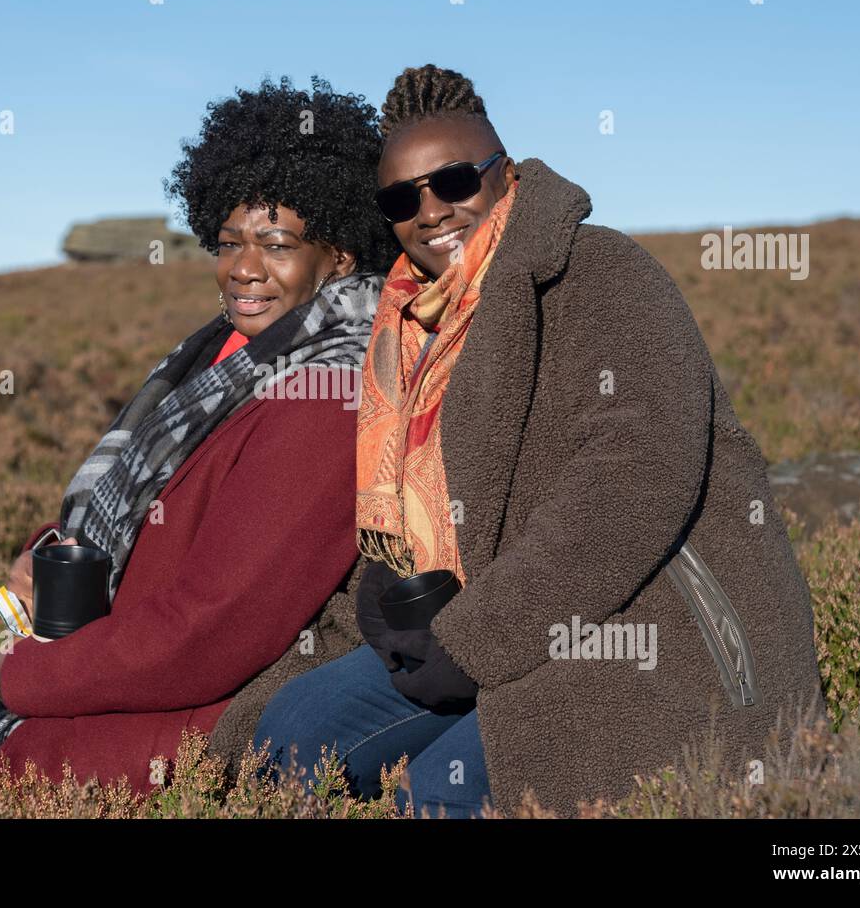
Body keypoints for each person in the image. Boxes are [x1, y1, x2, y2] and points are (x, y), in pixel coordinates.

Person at [254, 65, 828, 818]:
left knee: (442, 794)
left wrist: (475, 642)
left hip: (645, 626)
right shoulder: (409, 323)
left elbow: (636, 477)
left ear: (506, 174)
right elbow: (400, 510)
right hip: (485, 617)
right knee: (291, 737)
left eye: (454, 180)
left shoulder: (599, 270)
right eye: (402, 198)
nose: (430, 212)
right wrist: (390, 610)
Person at [0, 76, 399, 811]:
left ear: (338, 255)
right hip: (120, 689)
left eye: (275, 244)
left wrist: (31, 674)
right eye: (229, 241)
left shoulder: (325, 393)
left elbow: (214, 631)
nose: (243, 268)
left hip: (183, 732)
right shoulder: (222, 350)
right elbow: (152, 498)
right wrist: (52, 552)